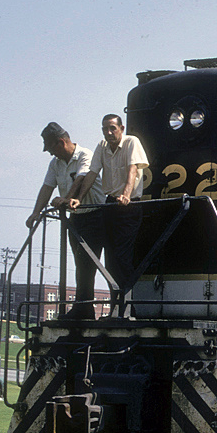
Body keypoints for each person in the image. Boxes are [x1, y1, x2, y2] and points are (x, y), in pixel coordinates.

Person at [27, 122, 106, 319]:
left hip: (96, 215)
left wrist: (66, 198)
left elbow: (80, 179)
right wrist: (35, 213)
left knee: (88, 264)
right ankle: (83, 308)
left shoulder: (85, 155)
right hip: (76, 219)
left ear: (61, 142)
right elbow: (47, 187)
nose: (50, 154)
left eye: (51, 148)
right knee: (80, 263)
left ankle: (86, 308)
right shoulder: (55, 163)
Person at [70, 114, 149, 307]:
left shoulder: (132, 142)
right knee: (110, 259)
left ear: (121, 128)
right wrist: (78, 199)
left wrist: (126, 195)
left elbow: (133, 169)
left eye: (113, 128)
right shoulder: (102, 146)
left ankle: (128, 307)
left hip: (129, 206)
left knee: (122, 257)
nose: (109, 132)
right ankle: (116, 306)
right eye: (105, 129)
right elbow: (92, 173)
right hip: (110, 205)